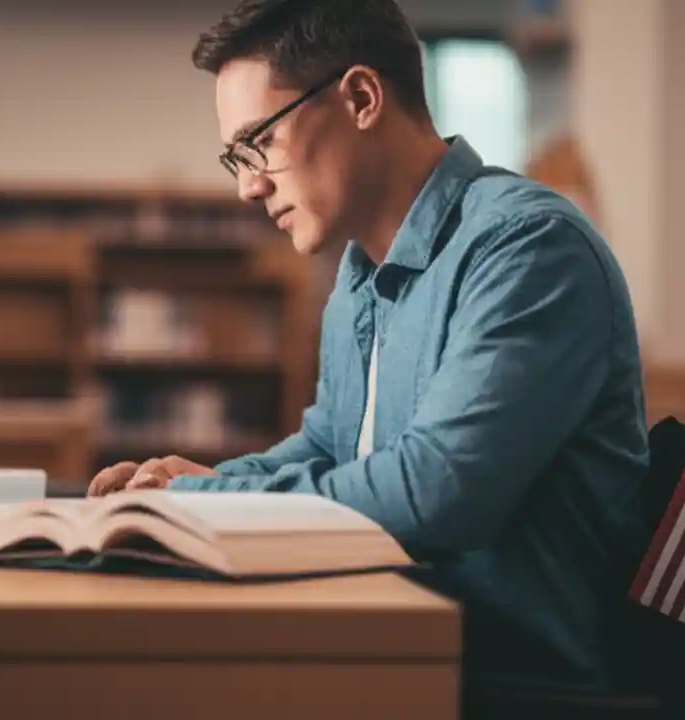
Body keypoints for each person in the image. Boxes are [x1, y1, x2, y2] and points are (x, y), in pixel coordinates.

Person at [88, 0, 650, 702]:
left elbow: (438, 492)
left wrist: (209, 497)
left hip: (510, 688)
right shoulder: (359, 273)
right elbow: (330, 444)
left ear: (360, 98)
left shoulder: (529, 249)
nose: (247, 185)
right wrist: (195, 485)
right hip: (392, 651)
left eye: (258, 143)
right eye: (236, 157)